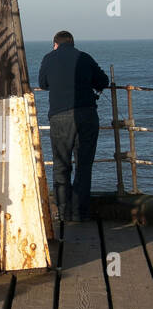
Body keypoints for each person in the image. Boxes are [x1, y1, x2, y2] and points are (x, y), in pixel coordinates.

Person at [38, 30, 109, 223]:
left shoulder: (49, 58)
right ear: (73, 43)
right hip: (87, 115)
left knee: (61, 166)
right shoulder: (85, 57)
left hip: (60, 117)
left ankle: (62, 212)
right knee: (84, 166)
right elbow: (103, 81)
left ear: (55, 44)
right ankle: (80, 213)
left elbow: (42, 84)